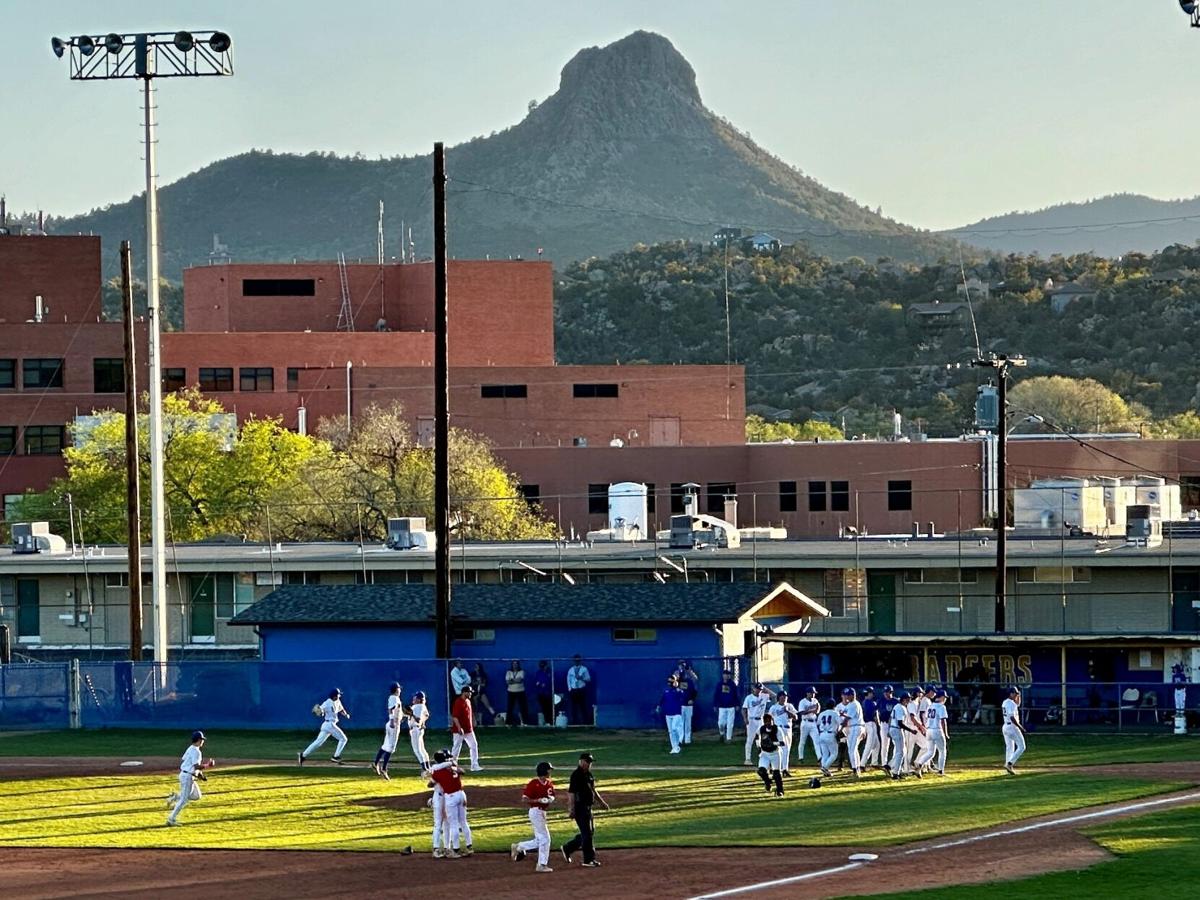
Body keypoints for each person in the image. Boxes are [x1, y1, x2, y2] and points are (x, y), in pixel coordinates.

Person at [562, 751, 609, 867]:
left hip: (588, 807)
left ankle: (568, 848)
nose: (589, 764)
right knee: (587, 834)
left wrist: (602, 803)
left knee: (588, 832)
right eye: (588, 762)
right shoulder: (576, 775)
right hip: (580, 807)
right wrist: (571, 809)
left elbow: (593, 790)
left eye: (590, 762)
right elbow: (571, 793)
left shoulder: (589, 774)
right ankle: (588, 860)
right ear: (581, 762)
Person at [511, 761, 556, 873]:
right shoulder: (533, 783)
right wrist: (538, 800)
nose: (550, 772)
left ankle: (519, 847)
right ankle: (541, 864)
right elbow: (524, 799)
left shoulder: (549, 784)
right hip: (535, 812)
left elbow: (552, 795)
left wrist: (550, 799)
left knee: (539, 839)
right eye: (549, 770)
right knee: (545, 839)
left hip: (542, 813)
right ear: (544, 771)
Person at [429, 749, 471, 858]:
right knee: (440, 823)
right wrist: (451, 764)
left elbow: (430, 784)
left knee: (449, 823)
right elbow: (460, 770)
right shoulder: (447, 767)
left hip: (448, 797)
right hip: (444, 796)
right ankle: (437, 848)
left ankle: (449, 848)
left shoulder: (437, 769)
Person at [166, 730, 210, 826]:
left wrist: (201, 776)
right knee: (183, 800)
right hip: (187, 776)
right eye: (202, 739)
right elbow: (196, 766)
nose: (203, 741)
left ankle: (174, 797)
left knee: (196, 796)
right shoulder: (197, 752)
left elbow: (186, 761)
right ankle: (171, 819)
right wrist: (208, 765)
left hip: (187, 775)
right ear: (199, 740)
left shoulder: (190, 748)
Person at [299, 687, 351, 766]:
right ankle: (335, 757)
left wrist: (346, 714)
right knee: (343, 739)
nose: (339, 696)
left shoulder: (337, 701)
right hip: (329, 724)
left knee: (318, 742)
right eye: (338, 695)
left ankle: (303, 755)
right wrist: (320, 712)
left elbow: (341, 709)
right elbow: (320, 711)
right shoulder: (327, 703)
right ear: (334, 696)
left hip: (328, 725)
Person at [373, 682, 404, 780]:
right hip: (393, 724)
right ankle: (384, 768)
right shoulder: (393, 698)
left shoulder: (395, 698)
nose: (400, 690)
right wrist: (392, 721)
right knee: (391, 747)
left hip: (393, 723)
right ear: (396, 689)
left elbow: (396, 711)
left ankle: (375, 763)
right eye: (399, 688)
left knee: (386, 745)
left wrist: (404, 716)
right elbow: (390, 709)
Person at [451, 685, 483, 771]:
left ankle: (474, 765)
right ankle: (452, 765)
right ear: (464, 692)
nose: (470, 694)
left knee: (474, 745)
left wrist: (473, 721)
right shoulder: (458, 702)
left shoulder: (468, 701)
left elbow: (470, 713)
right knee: (456, 747)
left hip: (469, 729)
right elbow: (455, 717)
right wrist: (459, 727)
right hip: (459, 730)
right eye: (469, 692)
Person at [918, 689, 950, 775]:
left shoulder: (930, 706)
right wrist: (945, 733)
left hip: (929, 730)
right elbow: (943, 721)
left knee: (930, 752)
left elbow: (925, 717)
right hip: (937, 729)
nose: (945, 699)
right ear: (942, 697)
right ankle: (941, 770)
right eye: (945, 697)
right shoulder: (941, 707)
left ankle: (920, 763)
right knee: (942, 751)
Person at [741, 682, 773, 765]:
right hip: (751, 720)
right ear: (753, 689)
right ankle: (747, 759)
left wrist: (765, 689)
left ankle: (763, 757)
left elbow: (775, 696)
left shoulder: (764, 696)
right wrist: (745, 719)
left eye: (760, 689)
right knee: (750, 739)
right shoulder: (749, 698)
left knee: (763, 739)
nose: (759, 691)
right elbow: (744, 709)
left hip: (761, 720)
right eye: (757, 689)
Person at [768, 690, 798, 776]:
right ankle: (776, 769)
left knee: (787, 750)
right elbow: (769, 718)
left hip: (788, 729)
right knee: (778, 749)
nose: (784, 697)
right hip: (778, 729)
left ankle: (785, 769)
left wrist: (788, 711)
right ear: (779, 697)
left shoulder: (789, 706)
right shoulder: (774, 707)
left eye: (785, 696)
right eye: (782, 696)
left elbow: (796, 717)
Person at [888, 692, 918, 779]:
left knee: (902, 751)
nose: (909, 700)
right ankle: (895, 772)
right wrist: (911, 730)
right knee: (900, 752)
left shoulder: (897, 706)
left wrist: (889, 729)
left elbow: (890, 719)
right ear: (904, 699)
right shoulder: (901, 708)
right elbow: (900, 723)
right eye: (908, 699)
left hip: (893, 728)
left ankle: (891, 766)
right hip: (897, 729)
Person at [755, 711, 785, 796]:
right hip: (765, 753)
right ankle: (768, 782)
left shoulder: (777, 729)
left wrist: (773, 743)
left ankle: (780, 790)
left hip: (775, 753)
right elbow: (757, 735)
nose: (768, 723)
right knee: (761, 771)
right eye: (766, 721)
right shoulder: (761, 729)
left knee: (776, 773)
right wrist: (758, 746)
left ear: (773, 721)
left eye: (770, 721)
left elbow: (782, 743)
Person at [657, 673, 686, 754]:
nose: (670, 683)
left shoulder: (678, 691)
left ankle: (680, 737)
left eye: (671, 681)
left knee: (674, 728)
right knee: (671, 731)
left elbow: (683, 696)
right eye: (669, 681)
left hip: (676, 713)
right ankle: (675, 747)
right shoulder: (666, 691)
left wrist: (678, 688)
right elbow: (662, 700)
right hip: (668, 713)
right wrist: (659, 706)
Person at [839, 687, 865, 777]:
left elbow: (847, 719)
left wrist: (840, 729)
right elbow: (848, 716)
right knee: (854, 749)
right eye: (846, 695)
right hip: (854, 727)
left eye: (848, 695)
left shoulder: (854, 704)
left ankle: (855, 770)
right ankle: (857, 768)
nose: (846, 697)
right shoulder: (852, 704)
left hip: (855, 727)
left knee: (851, 750)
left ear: (852, 695)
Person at [1002, 686, 1027, 774]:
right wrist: (1020, 726)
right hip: (1012, 727)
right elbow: (1012, 717)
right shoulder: (1011, 704)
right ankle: (1010, 764)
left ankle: (1008, 767)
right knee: (1022, 747)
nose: (1016, 695)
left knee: (1010, 748)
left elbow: (1017, 704)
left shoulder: (1005, 702)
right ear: (1011, 694)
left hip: (1005, 726)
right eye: (1015, 694)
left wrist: (1019, 695)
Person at [795, 686, 820, 765]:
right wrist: (812, 710)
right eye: (811, 693)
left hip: (813, 722)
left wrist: (817, 709)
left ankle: (819, 757)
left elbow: (817, 711)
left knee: (817, 741)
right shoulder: (802, 702)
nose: (813, 694)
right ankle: (800, 757)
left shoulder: (815, 700)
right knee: (802, 741)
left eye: (814, 693)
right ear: (807, 693)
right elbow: (801, 712)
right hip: (805, 722)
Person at [713, 670, 739, 742]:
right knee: (721, 723)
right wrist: (715, 705)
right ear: (723, 675)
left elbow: (735, 695)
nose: (726, 676)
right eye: (725, 674)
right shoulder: (719, 684)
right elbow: (716, 695)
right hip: (722, 706)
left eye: (728, 675)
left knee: (730, 723)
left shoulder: (732, 684)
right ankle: (722, 734)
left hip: (731, 706)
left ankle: (728, 738)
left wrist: (737, 704)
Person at [677, 660, 699, 744]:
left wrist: (689, 670)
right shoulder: (677, 676)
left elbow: (695, 686)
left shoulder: (690, 679)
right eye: (680, 665)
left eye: (683, 665)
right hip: (680, 703)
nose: (682, 667)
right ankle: (680, 739)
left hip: (689, 704)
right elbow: (675, 680)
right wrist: (680, 672)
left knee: (688, 722)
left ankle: (687, 739)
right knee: (680, 722)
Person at [409, 689, 431, 771]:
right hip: (419, 729)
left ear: (418, 699)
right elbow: (427, 715)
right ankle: (428, 767)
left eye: (415, 697)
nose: (413, 699)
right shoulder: (423, 706)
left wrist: (412, 714)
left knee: (417, 750)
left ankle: (424, 769)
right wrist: (423, 723)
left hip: (415, 728)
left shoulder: (417, 706)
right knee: (422, 749)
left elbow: (417, 719)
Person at [815, 704, 840, 777]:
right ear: (834, 706)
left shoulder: (822, 713)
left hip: (822, 734)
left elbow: (818, 724)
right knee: (834, 754)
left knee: (825, 754)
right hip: (830, 734)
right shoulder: (835, 713)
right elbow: (840, 723)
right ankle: (825, 767)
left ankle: (825, 772)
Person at [567, 655, 592, 725]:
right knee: (573, 707)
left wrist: (581, 678)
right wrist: (570, 689)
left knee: (583, 707)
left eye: (578, 660)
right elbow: (568, 680)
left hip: (581, 690)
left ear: (580, 661)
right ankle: (574, 723)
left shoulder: (584, 669)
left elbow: (589, 679)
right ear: (574, 661)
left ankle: (585, 723)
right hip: (574, 690)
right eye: (575, 660)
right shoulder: (571, 670)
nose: (577, 662)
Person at [860, 686, 881, 769]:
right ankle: (862, 764)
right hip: (869, 724)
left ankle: (874, 763)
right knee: (869, 745)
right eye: (871, 693)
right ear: (868, 693)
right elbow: (870, 712)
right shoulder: (867, 702)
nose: (872, 694)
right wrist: (878, 705)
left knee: (877, 745)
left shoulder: (869, 701)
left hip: (872, 724)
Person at [505, 660, 530, 727]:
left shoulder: (521, 672)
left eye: (516, 664)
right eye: (513, 664)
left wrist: (512, 680)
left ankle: (525, 722)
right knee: (510, 707)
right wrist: (515, 680)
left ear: (518, 665)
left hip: (520, 691)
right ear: (512, 665)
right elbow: (507, 682)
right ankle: (508, 723)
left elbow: (520, 680)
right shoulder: (508, 672)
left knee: (523, 707)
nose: (515, 665)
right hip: (511, 691)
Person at [878, 685, 897, 771]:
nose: (886, 694)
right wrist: (878, 722)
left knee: (896, 744)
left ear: (891, 692)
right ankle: (884, 764)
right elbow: (876, 712)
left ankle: (893, 763)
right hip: (884, 724)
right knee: (885, 744)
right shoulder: (881, 700)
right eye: (885, 692)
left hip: (893, 724)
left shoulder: (895, 701)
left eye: (888, 692)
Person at [531, 660, 554, 726]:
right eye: (541, 666)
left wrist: (545, 684)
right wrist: (540, 684)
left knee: (550, 708)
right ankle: (547, 722)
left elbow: (551, 681)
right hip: (541, 693)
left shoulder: (550, 672)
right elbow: (536, 682)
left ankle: (551, 722)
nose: (543, 667)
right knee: (544, 708)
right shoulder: (538, 673)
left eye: (544, 666)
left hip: (549, 693)